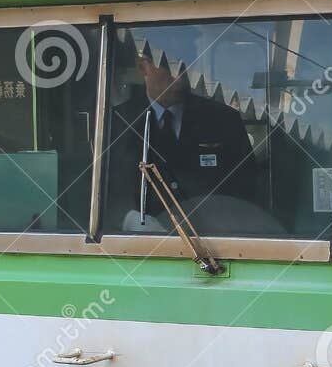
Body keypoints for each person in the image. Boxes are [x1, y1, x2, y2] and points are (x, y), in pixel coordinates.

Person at [112, 46, 261, 230]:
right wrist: (127, 217)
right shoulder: (117, 122)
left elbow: (249, 189)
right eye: (170, 69)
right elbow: (102, 190)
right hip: (140, 247)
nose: (179, 79)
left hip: (213, 243)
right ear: (144, 67)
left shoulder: (224, 120)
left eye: (185, 68)